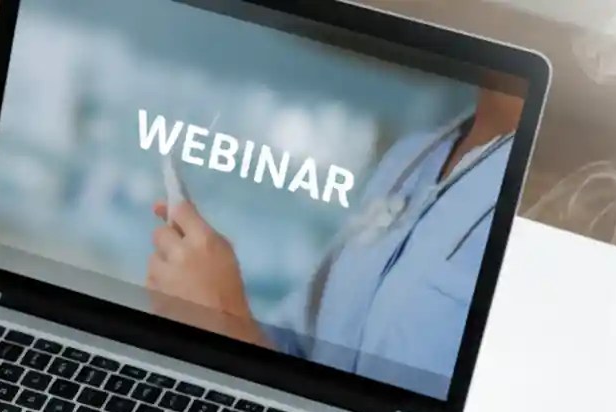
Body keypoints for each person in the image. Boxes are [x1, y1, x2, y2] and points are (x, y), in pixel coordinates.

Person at [145, 85, 524, 395]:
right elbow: (301, 350)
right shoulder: (410, 158)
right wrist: (209, 305)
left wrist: (228, 331)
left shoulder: (536, 212)